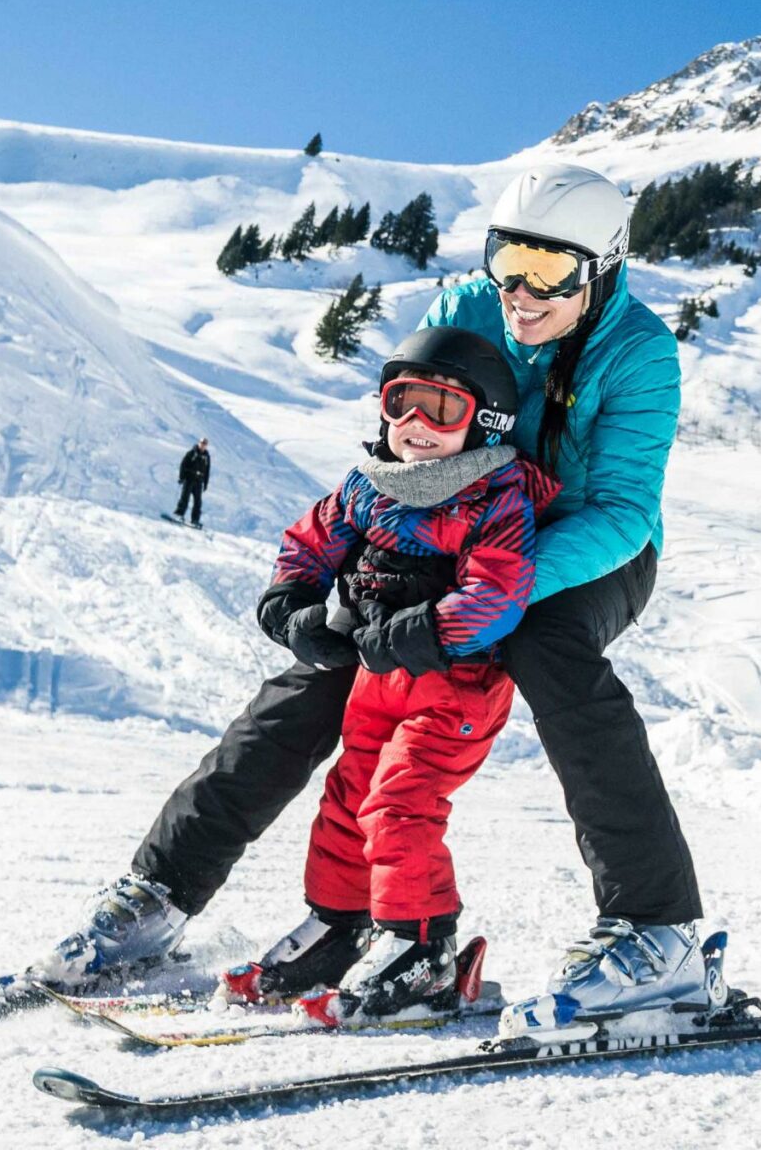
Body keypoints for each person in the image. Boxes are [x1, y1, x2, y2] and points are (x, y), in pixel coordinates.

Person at [40, 166, 705, 1042]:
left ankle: (658, 931)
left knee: (548, 649)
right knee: (331, 660)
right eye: (511, 261)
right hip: (444, 537)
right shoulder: (467, 307)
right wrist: (332, 584)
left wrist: (485, 597)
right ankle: (164, 891)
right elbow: (401, 451)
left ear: (604, 267)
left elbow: (622, 511)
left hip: (580, 549)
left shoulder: (638, 352)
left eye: (553, 272)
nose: (523, 293)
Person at [216, 326, 556, 1021]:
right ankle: (342, 927)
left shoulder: (494, 496)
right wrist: (290, 606)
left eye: (440, 408)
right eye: (401, 403)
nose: (415, 426)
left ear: (485, 419)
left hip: (455, 686)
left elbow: (498, 593)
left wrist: (418, 631)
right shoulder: (370, 486)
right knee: (347, 801)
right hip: (378, 685)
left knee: (400, 803)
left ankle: (422, 949)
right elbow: (309, 544)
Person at [174, 438, 211, 526]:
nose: (203, 445)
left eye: (205, 444)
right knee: (185, 498)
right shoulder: (191, 453)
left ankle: (195, 520)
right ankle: (179, 514)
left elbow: (207, 471)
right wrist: (182, 477)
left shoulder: (206, 457)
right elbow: (183, 464)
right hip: (189, 479)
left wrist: (205, 483)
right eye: (202, 443)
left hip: (199, 482)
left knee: (198, 502)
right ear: (199, 443)